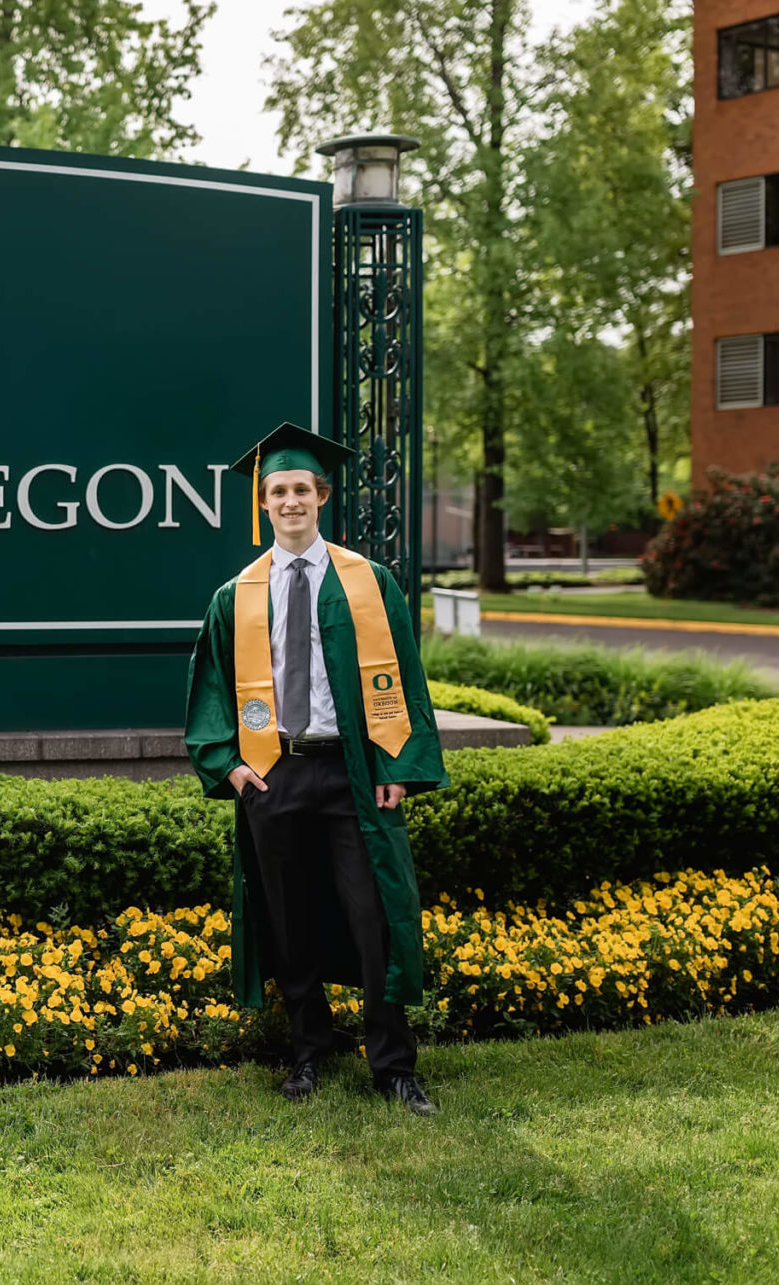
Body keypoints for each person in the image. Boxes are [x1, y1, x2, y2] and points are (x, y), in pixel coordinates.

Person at [183, 423, 446, 1115]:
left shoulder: (368, 582)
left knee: (373, 916)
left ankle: (392, 1063)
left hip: (353, 772)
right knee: (289, 917)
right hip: (275, 773)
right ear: (263, 503)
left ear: (322, 495)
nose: (291, 500)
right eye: (278, 491)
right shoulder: (235, 595)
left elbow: (404, 680)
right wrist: (231, 766)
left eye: (302, 488)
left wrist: (397, 761)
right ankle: (307, 1051)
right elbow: (211, 689)